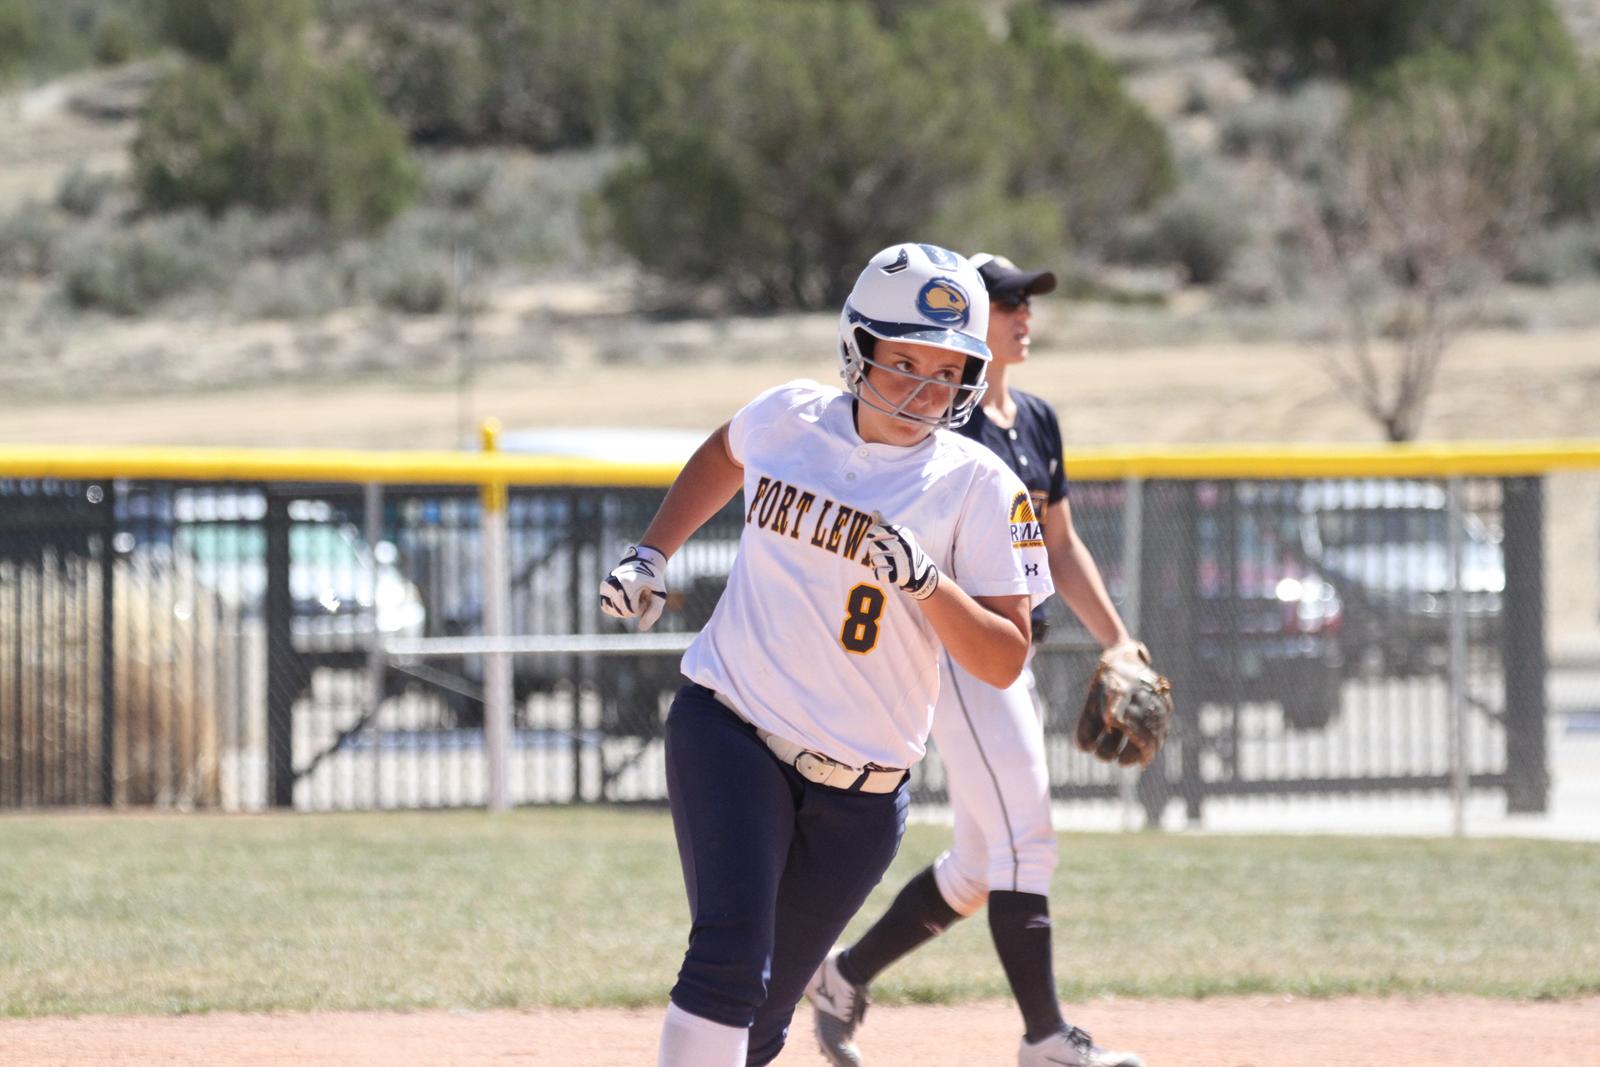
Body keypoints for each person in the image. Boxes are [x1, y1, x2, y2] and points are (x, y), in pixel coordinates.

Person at [598, 243, 1053, 1067]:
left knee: (763, 1019)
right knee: (729, 960)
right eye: (903, 359)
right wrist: (651, 552)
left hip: (863, 790)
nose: (922, 385)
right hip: (731, 724)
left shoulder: (980, 485)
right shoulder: (790, 416)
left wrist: (927, 582)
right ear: (858, 345)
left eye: (946, 368)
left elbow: (1003, 659)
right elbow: (724, 454)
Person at [803, 254, 1150, 1067]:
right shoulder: (942, 422)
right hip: (957, 655)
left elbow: (1061, 547)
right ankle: (1046, 1039)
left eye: (1027, 298)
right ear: (961, 321)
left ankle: (842, 977)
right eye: (1005, 299)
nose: (1024, 312)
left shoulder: (1034, 419)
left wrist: (1119, 638)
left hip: (1009, 651)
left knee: (977, 866)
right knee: (1027, 840)